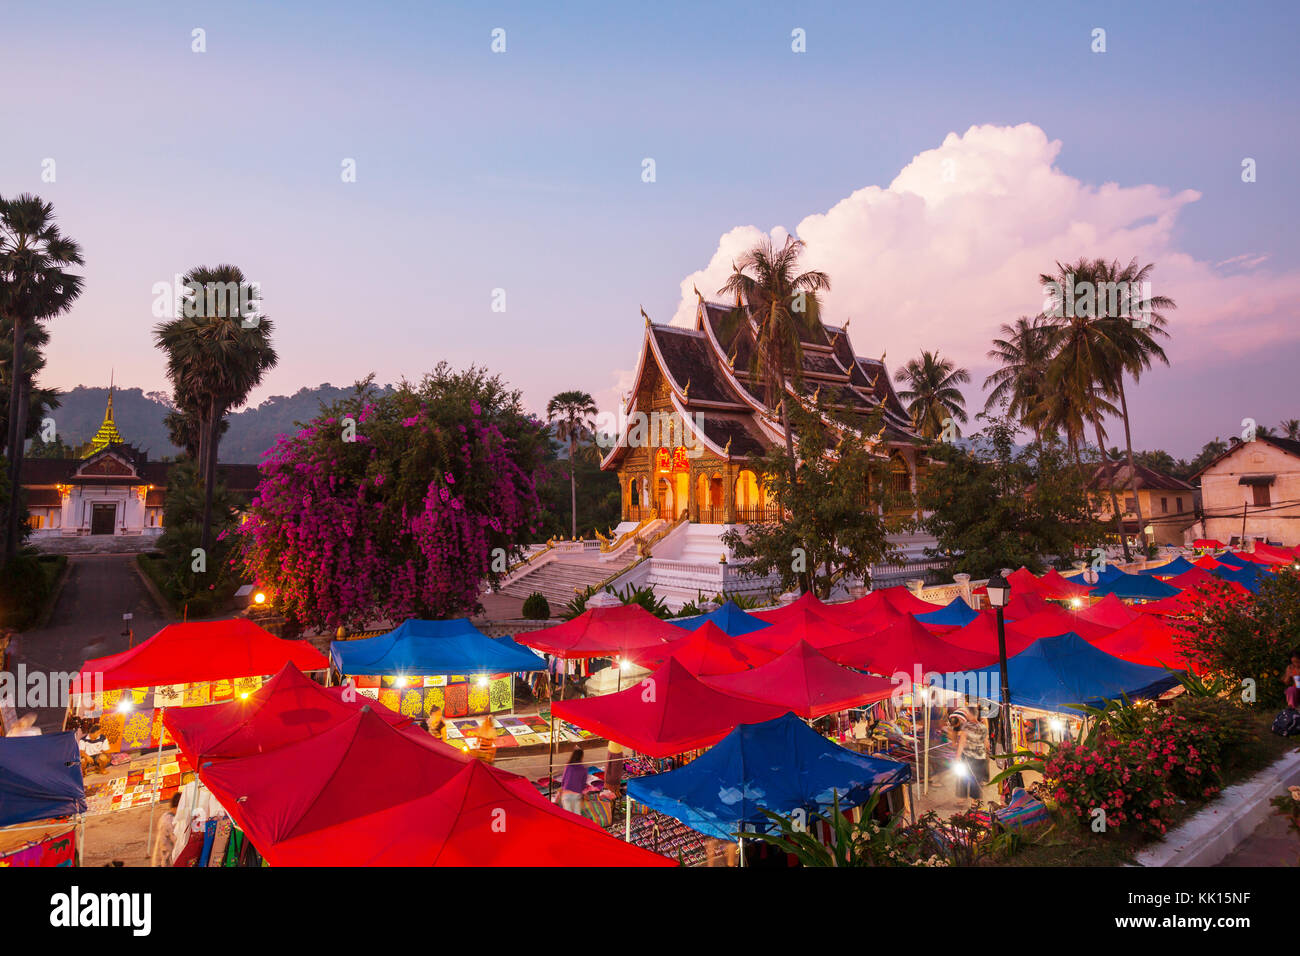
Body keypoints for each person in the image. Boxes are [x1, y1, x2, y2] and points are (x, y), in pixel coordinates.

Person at [951, 708, 989, 807]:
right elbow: (986, 743)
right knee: (977, 779)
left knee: (963, 777)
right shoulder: (983, 727)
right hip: (980, 757)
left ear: (971, 715)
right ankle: (974, 801)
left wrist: (957, 756)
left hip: (967, 757)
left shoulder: (966, 727)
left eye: (967, 713)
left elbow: (962, 742)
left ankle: (961, 798)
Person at [150, 792, 182, 867]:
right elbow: (177, 840)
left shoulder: (167, 816)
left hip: (164, 857)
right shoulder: (168, 821)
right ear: (176, 807)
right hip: (162, 861)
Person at [558, 747, 587, 814]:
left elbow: (564, 779)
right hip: (576, 794)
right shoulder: (584, 768)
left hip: (566, 793)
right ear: (581, 756)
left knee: (568, 816)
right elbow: (583, 783)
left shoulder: (568, 766)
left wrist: (562, 788)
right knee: (577, 815)